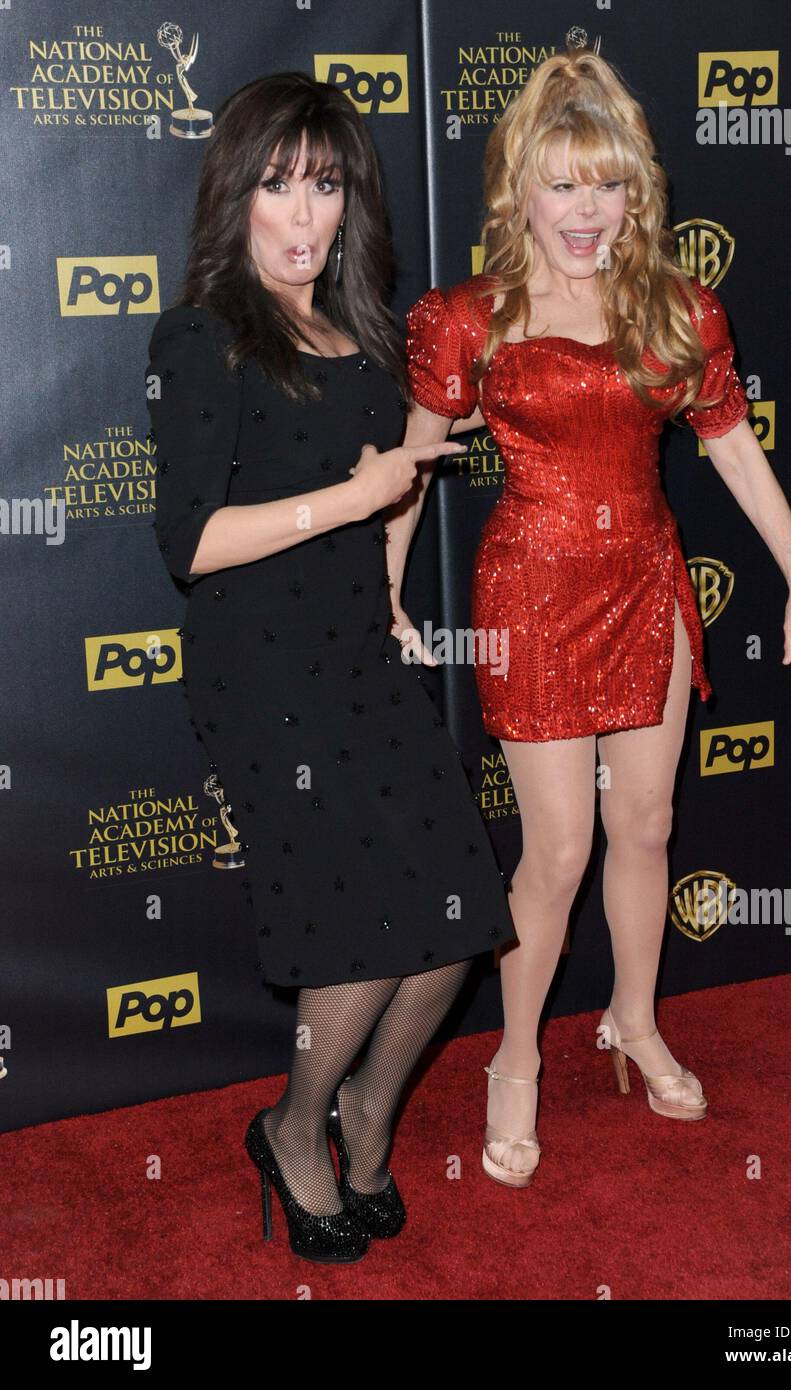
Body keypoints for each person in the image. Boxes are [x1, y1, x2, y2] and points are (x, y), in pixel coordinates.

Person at [395, 43, 791, 1187]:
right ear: (519, 193)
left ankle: (633, 1020)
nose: (585, 209)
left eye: (605, 182)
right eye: (562, 183)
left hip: (648, 585)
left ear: (633, 191)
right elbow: (408, 466)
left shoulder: (680, 310)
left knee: (643, 827)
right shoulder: (467, 319)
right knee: (554, 852)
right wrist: (381, 594)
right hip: (533, 596)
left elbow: (735, 452)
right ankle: (514, 1061)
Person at [143, 70, 518, 1262]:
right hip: (260, 672)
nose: (303, 217)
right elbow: (193, 544)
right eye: (277, 187)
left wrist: (393, 582)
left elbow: (388, 491)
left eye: (325, 186)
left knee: (458, 916)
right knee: (354, 930)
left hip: (358, 649)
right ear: (235, 198)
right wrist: (347, 497)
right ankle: (295, 1124)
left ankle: (367, 1107)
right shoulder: (202, 337)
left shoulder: (364, 332)